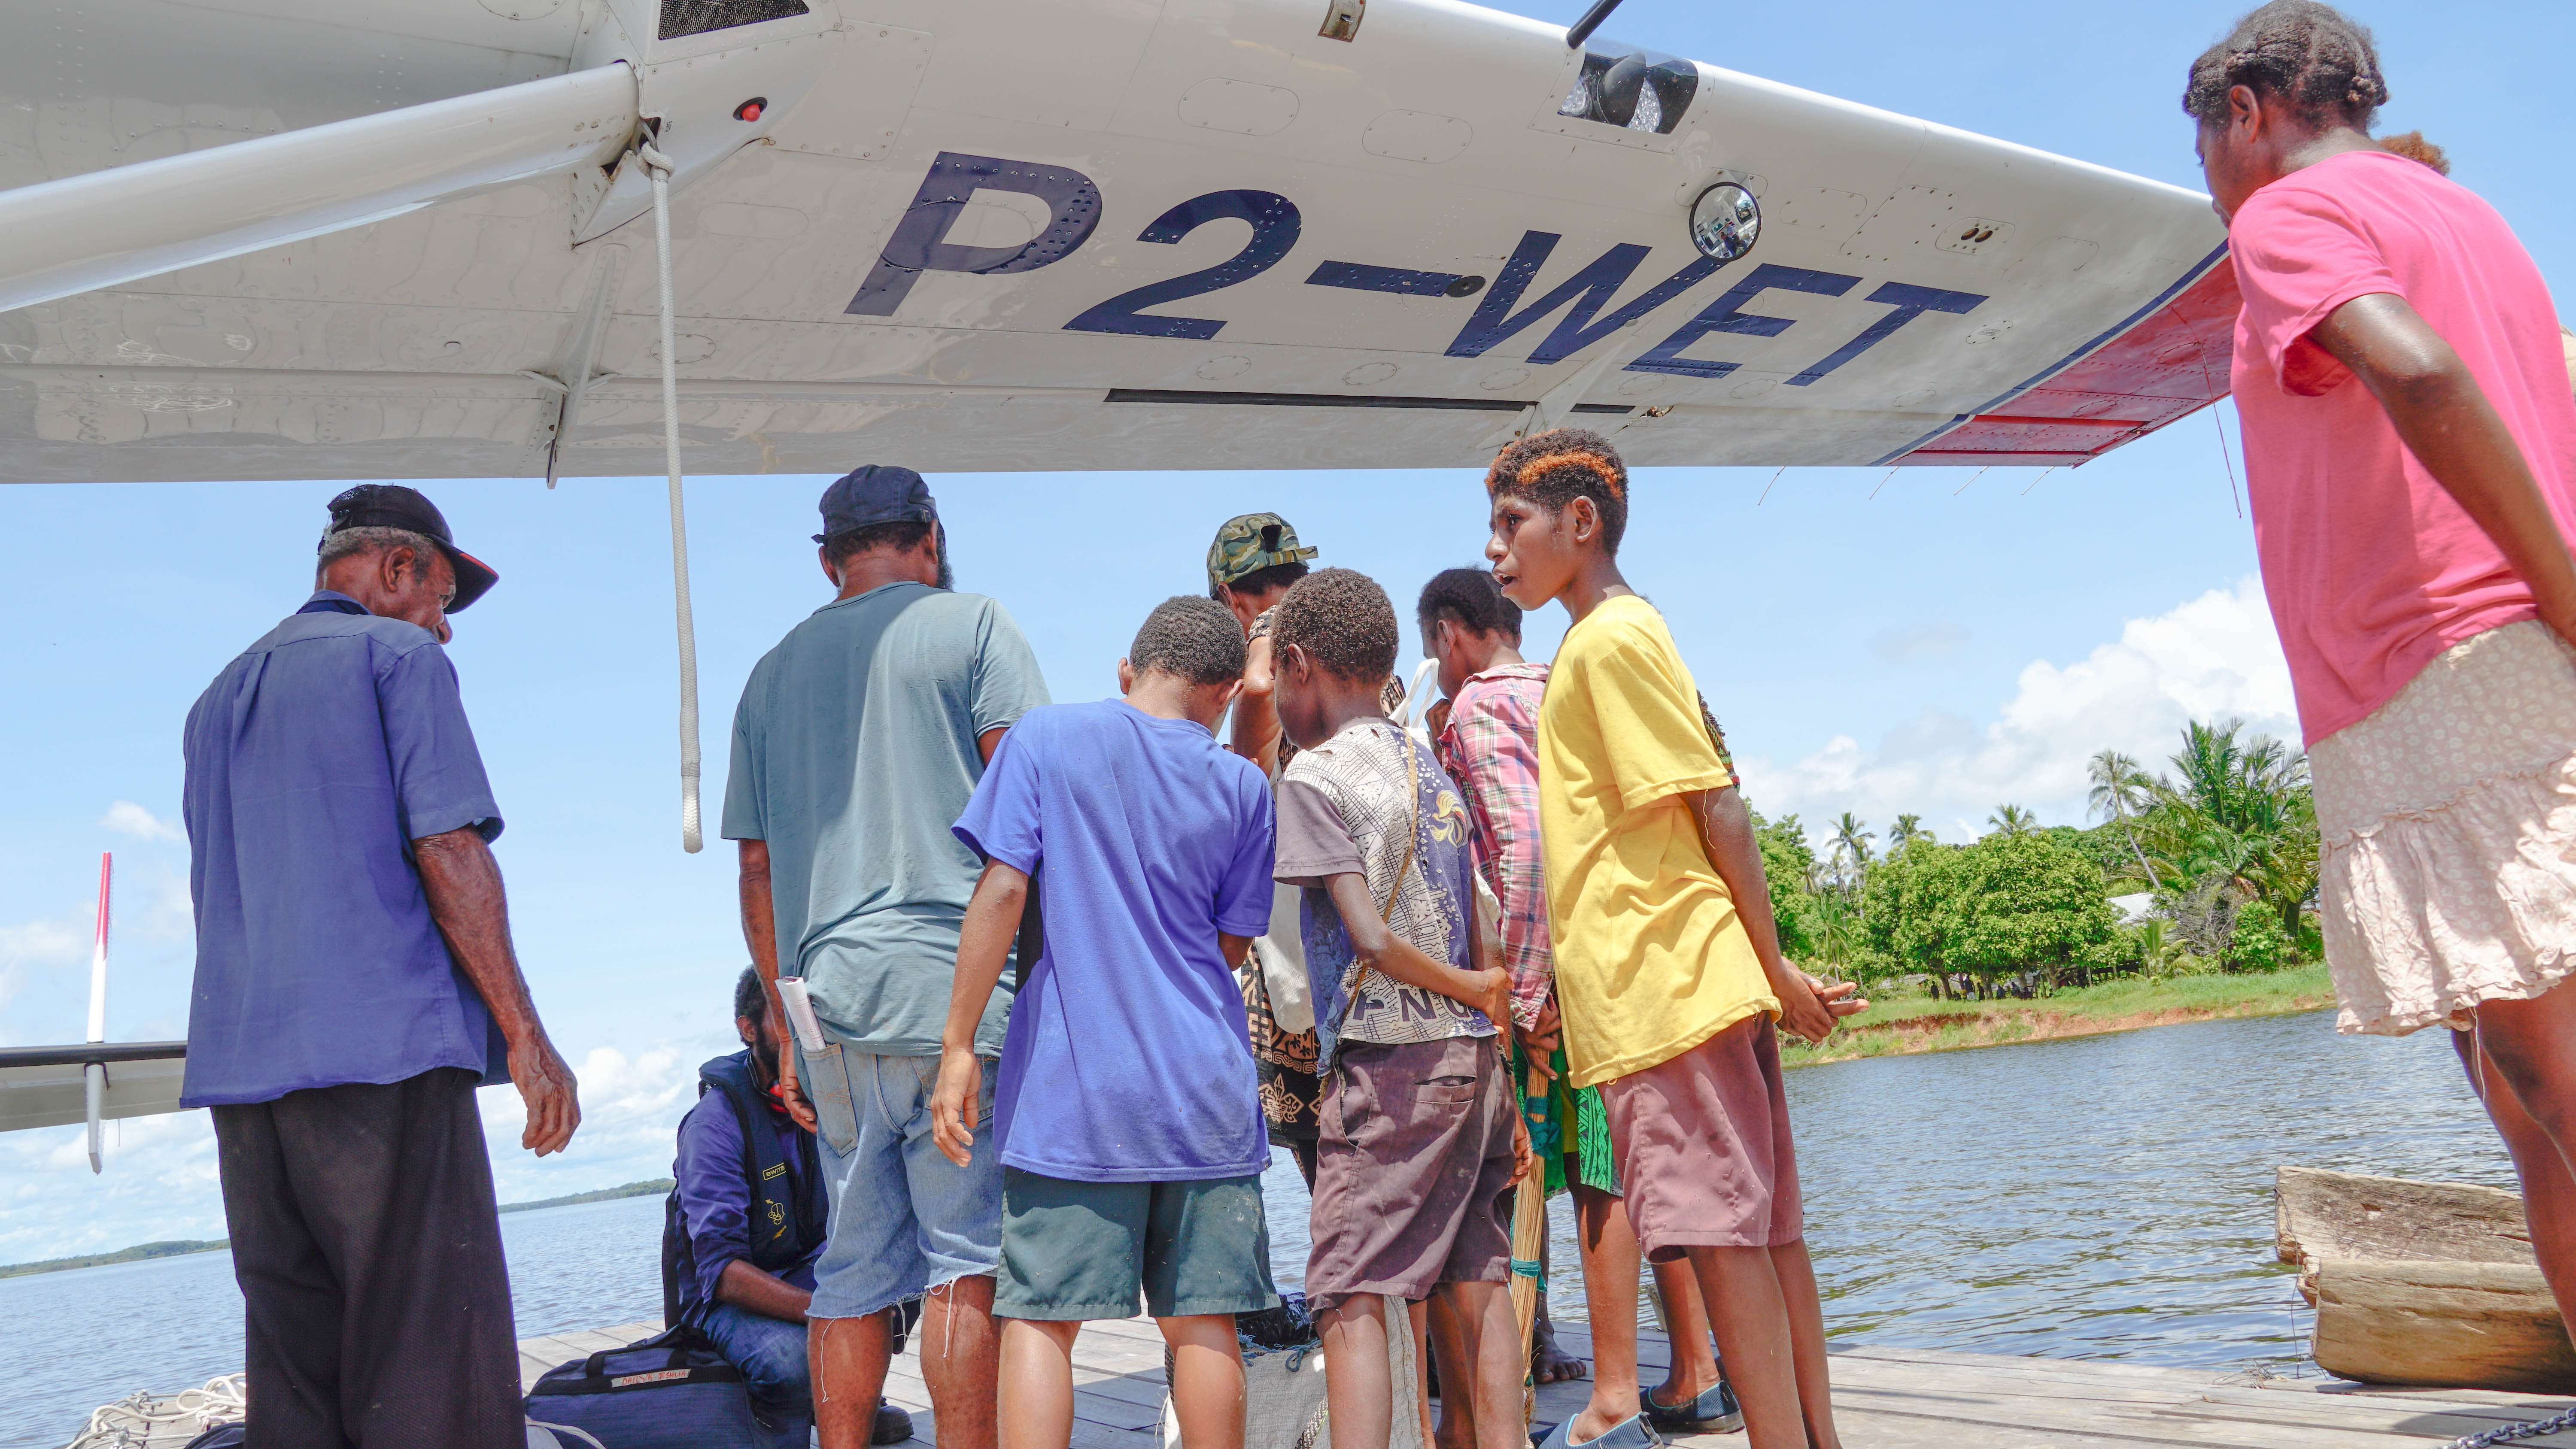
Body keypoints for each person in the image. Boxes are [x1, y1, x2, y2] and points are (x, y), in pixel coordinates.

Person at [2184, 0, 2576, 1367]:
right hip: (2493, 668)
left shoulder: (2284, 215)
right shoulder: (2468, 218)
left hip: (2450, 671)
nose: (2210, 179)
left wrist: (2564, 598)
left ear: (2246, 109)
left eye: (2204, 144)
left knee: (2556, 1091)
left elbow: (2414, 373)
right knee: (2521, 1112)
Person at [1484, 429, 1864, 1449]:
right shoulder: (1610, 637)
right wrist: (1763, 965)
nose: (1495, 549)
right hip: (1689, 980)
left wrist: (1774, 963)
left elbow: (1718, 805)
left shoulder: (1608, 639)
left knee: (1728, 1241)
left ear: (1580, 521)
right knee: (1767, 1235)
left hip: (1666, 986)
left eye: (1510, 523)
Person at [179, 485, 580, 1449]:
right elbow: (449, 847)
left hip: (244, 1074)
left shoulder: (215, 696)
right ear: (396, 569)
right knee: (432, 1365)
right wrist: (526, 1036)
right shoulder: (394, 656)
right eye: (441, 598)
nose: (444, 629)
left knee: (296, 1373)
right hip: (382, 1057)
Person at [725, 465, 1051, 1449]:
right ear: (931, 537)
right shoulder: (975, 625)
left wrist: (785, 1024)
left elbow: (755, 865)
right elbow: (1032, 797)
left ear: (827, 560)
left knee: (851, 1267)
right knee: (965, 1252)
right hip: (953, 992)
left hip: (829, 1006)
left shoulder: (771, 672)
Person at [926, 595, 1282, 1449]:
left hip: (1075, 1094)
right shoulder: (1244, 783)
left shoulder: (1046, 738)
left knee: (1044, 1322)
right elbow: (1231, 941)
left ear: (1129, 671)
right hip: (1206, 1091)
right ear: (1227, 691)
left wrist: (957, 1047)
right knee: (1203, 1320)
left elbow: (1005, 890)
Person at [1417, 568, 1741, 1444]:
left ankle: (1609, 1398)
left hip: (1560, 982)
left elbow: (1521, 849)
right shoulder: (1570, 675)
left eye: (1432, 652)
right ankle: (1698, 1370)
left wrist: (1523, 996)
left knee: (1591, 1173)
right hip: (1633, 957)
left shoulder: (1482, 705)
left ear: (1452, 634)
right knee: (1639, 1166)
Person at [1267, 567, 1531, 1449]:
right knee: (1477, 1272)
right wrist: (1490, 1015)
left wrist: (1471, 990)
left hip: (1389, 1060)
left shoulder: (1314, 776)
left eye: (1277, 684)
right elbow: (1485, 917)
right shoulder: (1428, 758)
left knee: (1349, 1286)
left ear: (1300, 663)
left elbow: (1370, 939)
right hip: (1475, 1065)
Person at [667, 970, 914, 1449]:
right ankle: (775, 1416)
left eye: (805, 1022)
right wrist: (829, 1312)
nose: (801, 1039)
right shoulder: (713, 1124)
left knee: (911, 1269)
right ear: (748, 1029)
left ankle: (855, 1397)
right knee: (788, 1363)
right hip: (727, 1301)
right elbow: (722, 1274)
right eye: (782, 1025)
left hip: (807, 1275)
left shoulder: (832, 1097)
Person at [1205, 512, 1331, 1187]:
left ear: (1228, 600)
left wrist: (1262, 637)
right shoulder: (1366, 660)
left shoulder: (1268, 676)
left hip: (1303, 965)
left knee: (1334, 1182)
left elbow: (1246, 774)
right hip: (1386, 958)